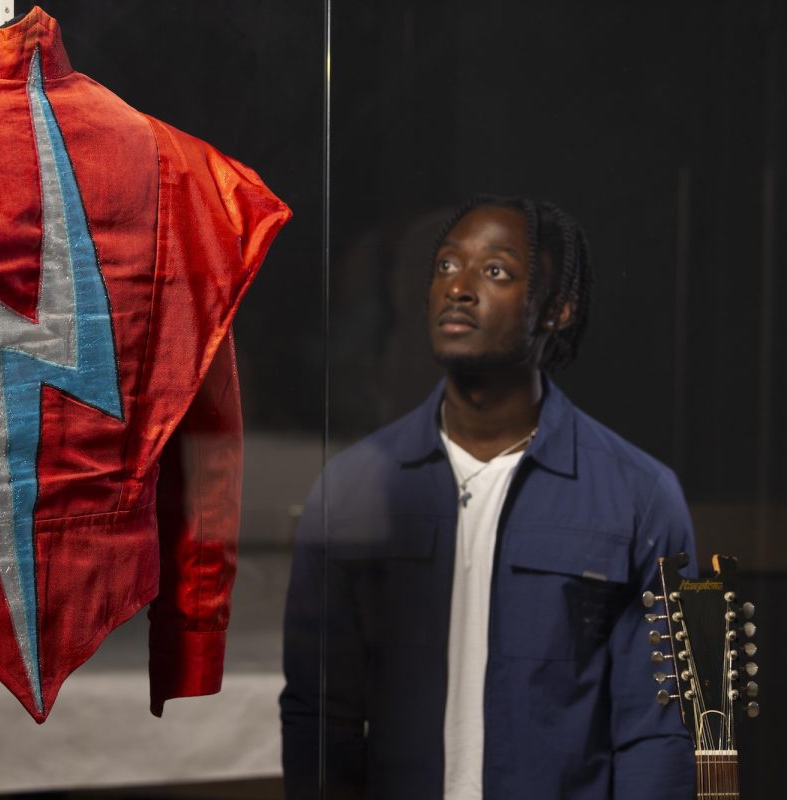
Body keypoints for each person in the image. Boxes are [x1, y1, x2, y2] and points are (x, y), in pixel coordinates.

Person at [280, 195, 696, 799]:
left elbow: (656, 735)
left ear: (557, 309)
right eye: (446, 266)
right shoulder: (352, 489)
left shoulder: (638, 497)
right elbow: (320, 716)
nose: (459, 288)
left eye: (495, 271)